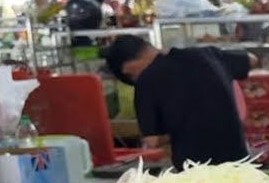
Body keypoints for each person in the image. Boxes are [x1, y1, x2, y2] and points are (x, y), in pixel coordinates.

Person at [105, 35, 252, 170]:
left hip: (195, 171)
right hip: (239, 163)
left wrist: (182, 128)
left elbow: (153, 141)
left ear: (127, 68)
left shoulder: (146, 81)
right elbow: (252, 59)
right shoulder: (208, 54)